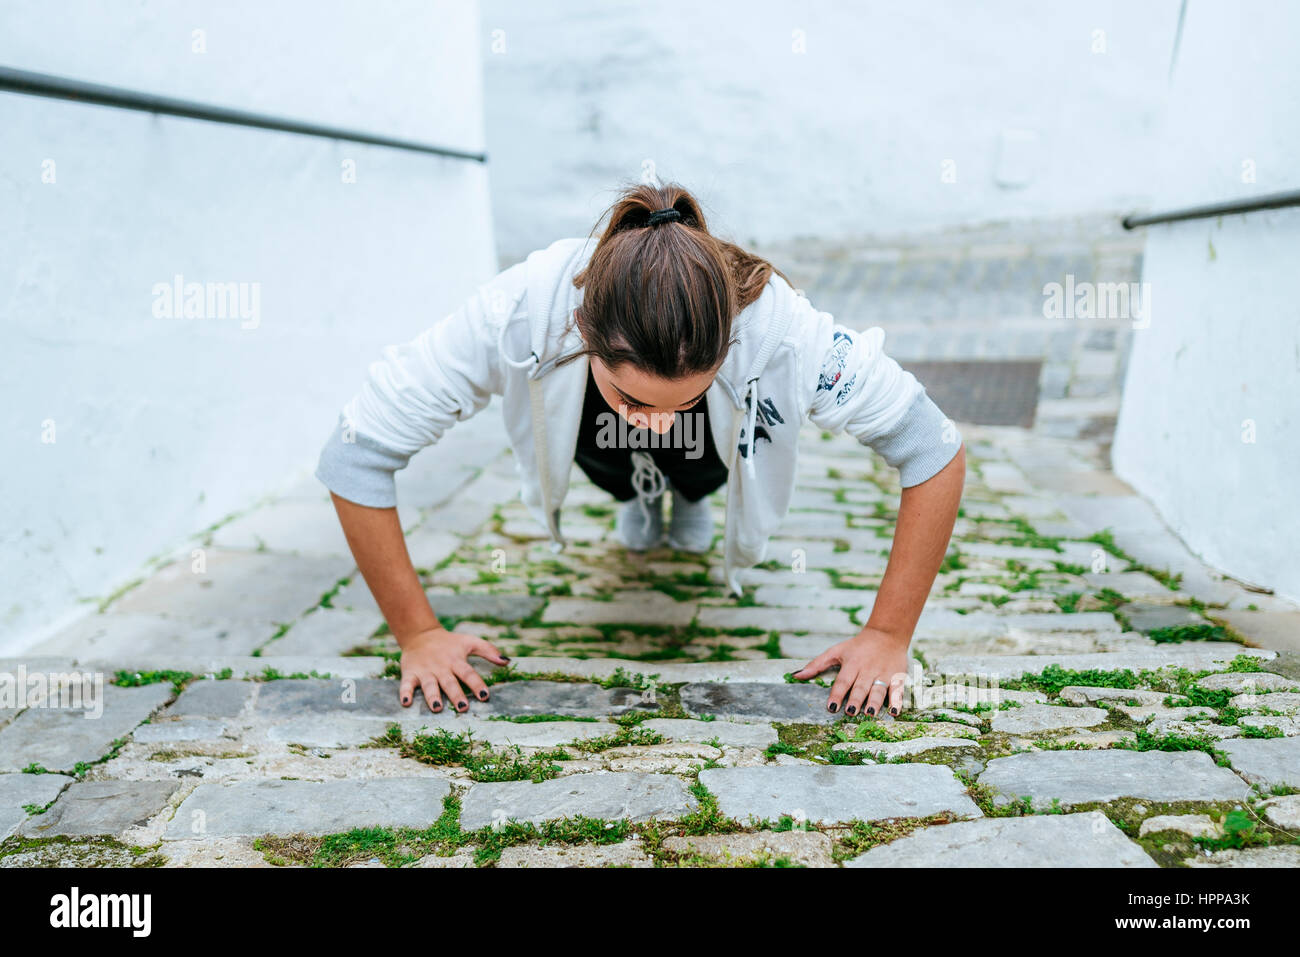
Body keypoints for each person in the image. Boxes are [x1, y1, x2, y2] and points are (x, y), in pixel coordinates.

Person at [315, 182, 965, 720]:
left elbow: (933, 447)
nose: (654, 426)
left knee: (683, 450)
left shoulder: (781, 328)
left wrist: (886, 635)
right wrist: (419, 634)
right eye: (634, 399)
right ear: (580, 329)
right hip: (592, 450)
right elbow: (355, 453)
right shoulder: (518, 307)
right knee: (626, 452)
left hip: (712, 455)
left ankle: (685, 497)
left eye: (680, 401)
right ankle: (637, 494)